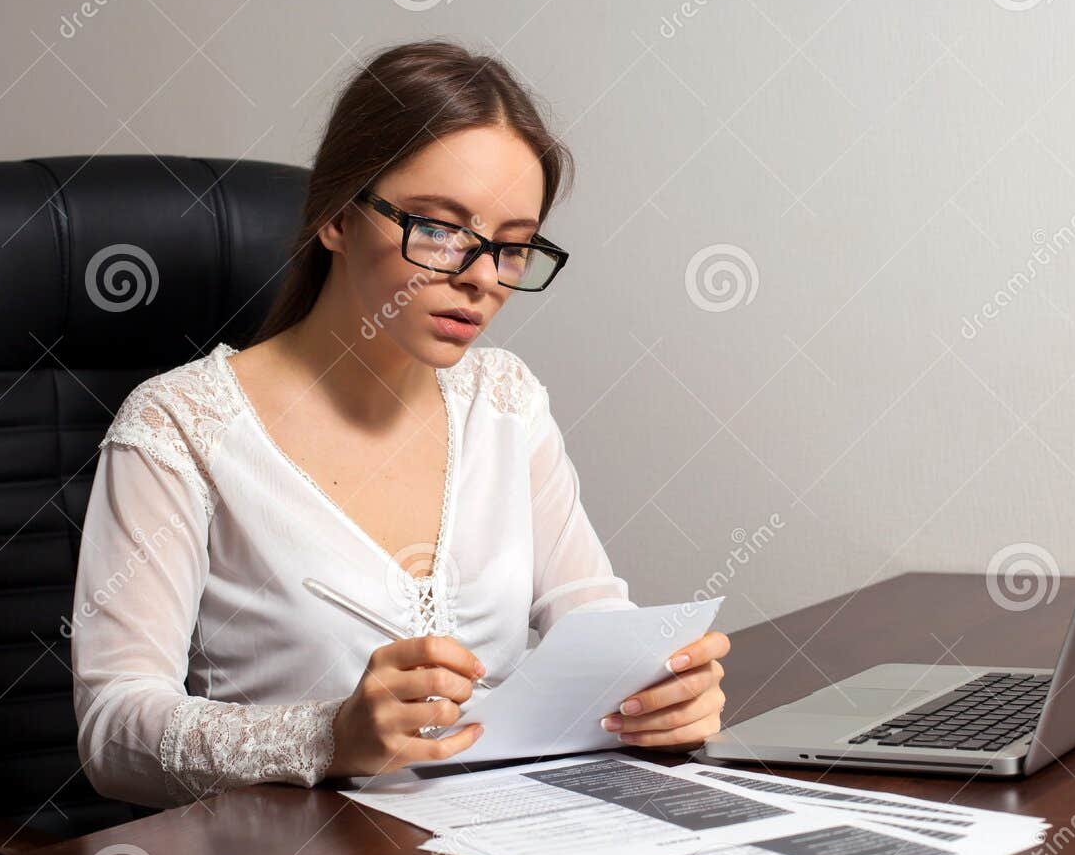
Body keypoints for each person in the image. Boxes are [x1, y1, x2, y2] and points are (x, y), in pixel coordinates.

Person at [70, 39, 730, 807]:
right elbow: (112, 728)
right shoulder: (180, 427)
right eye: (442, 228)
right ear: (338, 219)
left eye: (513, 247)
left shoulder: (505, 402)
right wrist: (328, 735)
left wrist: (657, 691)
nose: (481, 276)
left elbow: (594, 619)